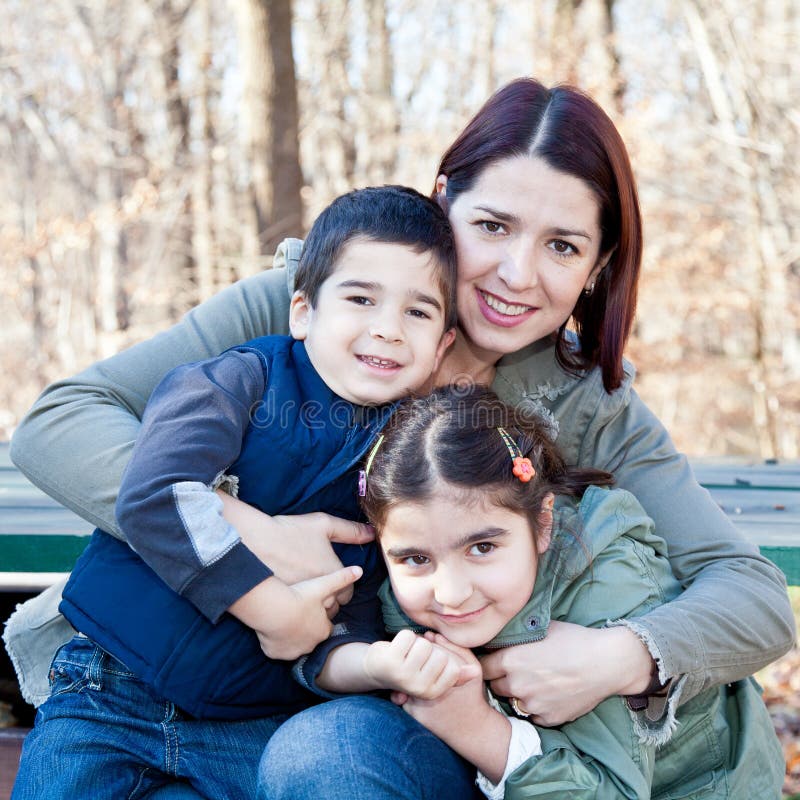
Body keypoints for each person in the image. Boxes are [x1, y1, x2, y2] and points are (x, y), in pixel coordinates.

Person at [6, 78, 794, 799]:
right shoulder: (318, 305)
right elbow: (62, 423)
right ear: (443, 201)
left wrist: (616, 657)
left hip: (458, 733)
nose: (517, 274)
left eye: (562, 246)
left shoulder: (589, 402)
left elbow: (754, 596)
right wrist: (251, 533)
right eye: (492, 226)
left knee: (326, 753)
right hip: (220, 682)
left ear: (596, 266)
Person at [10, 185, 458, 799]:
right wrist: (269, 606)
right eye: (361, 298)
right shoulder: (238, 380)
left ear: (443, 345)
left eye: (418, 312)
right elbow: (155, 493)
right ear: (302, 311)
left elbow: (348, 610)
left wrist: (373, 663)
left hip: (253, 721)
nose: (387, 329)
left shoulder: (408, 457)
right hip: (111, 690)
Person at [306, 385, 784, 799]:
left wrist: (472, 727)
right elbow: (317, 651)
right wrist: (373, 665)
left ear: (543, 524)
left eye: (483, 547)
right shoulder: (399, 583)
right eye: (415, 559)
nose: (450, 594)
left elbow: (611, 792)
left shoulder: (607, 585)